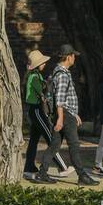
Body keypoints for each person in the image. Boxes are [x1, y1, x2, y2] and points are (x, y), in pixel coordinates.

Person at [35, 44, 97, 185]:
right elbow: (60, 100)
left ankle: (42, 173)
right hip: (64, 116)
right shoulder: (62, 75)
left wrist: (74, 114)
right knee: (74, 145)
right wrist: (61, 119)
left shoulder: (57, 72)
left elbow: (63, 99)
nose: (75, 58)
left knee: (54, 145)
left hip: (65, 114)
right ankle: (82, 176)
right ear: (68, 57)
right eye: (73, 56)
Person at [22, 50, 68, 180]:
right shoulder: (35, 76)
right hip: (36, 110)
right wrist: (49, 82)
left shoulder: (34, 75)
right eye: (43, 62)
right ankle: (62, 167)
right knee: (50, 137)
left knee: (33, 141)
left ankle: (29, 167)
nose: (45, 64)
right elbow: (43, 89)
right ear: (38, 64)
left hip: (33, 110)